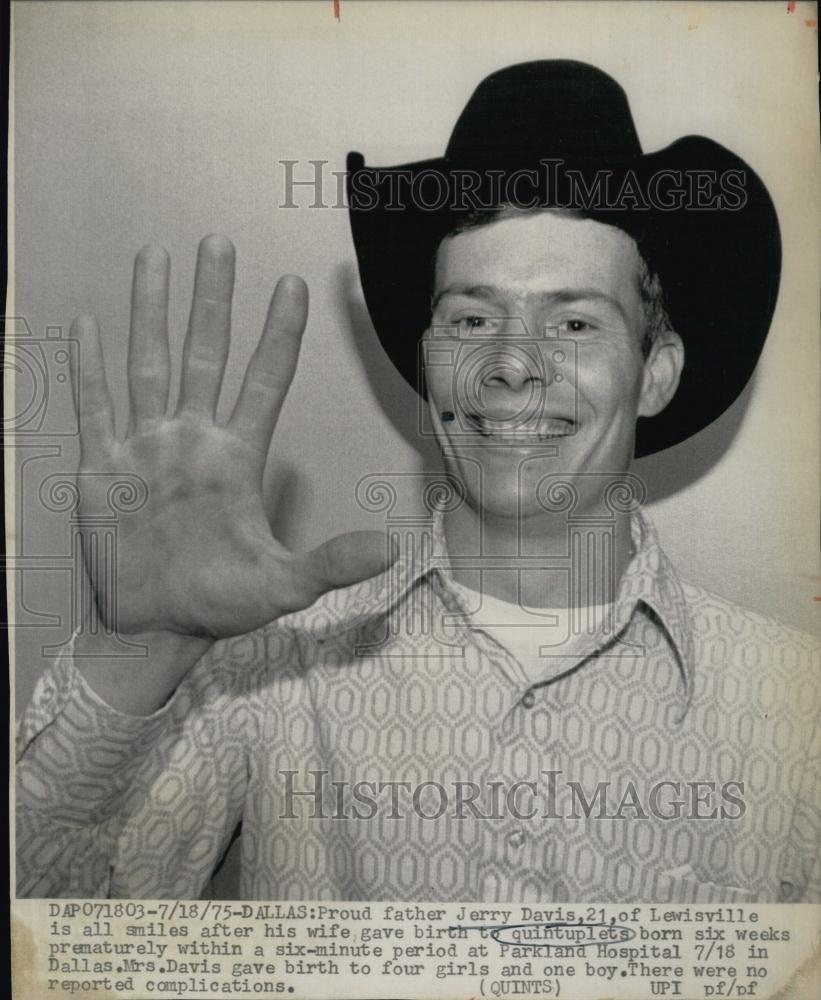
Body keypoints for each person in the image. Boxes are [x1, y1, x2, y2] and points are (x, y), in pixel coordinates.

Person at [15, 61, 819, 902]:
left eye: (573, 322)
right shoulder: (275, 666)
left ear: (654, 372)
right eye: (471, 319)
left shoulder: (794, 709)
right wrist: (132, 656)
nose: (511, 363)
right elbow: (52, 943)